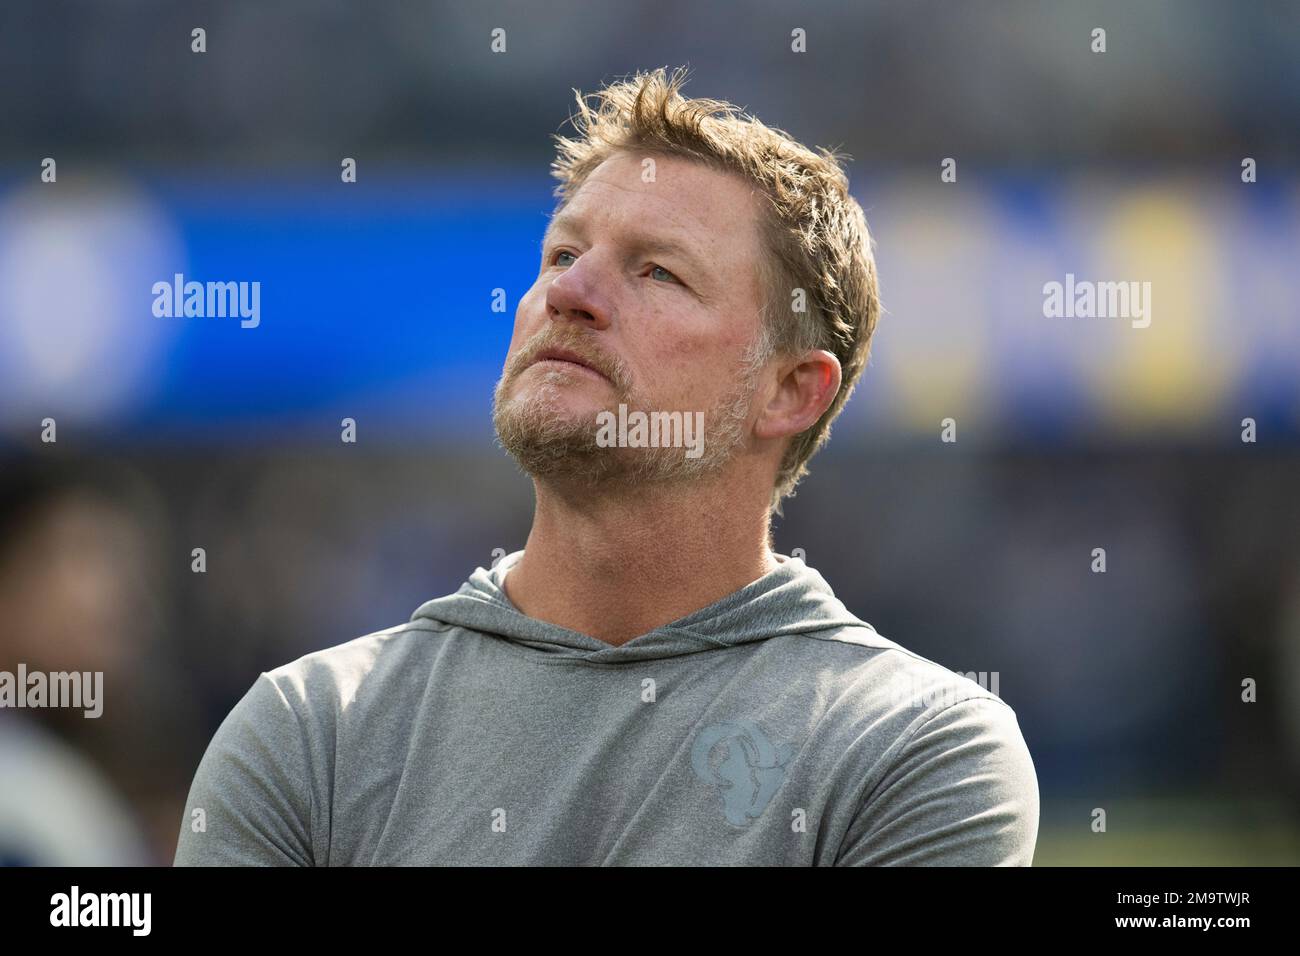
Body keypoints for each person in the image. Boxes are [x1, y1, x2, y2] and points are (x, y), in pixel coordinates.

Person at [174, 66, 1038, 866]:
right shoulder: (309, 732)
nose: (569, 292)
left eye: (658, 272)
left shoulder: (914, 747)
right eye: (560, 255)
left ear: (788, 392)